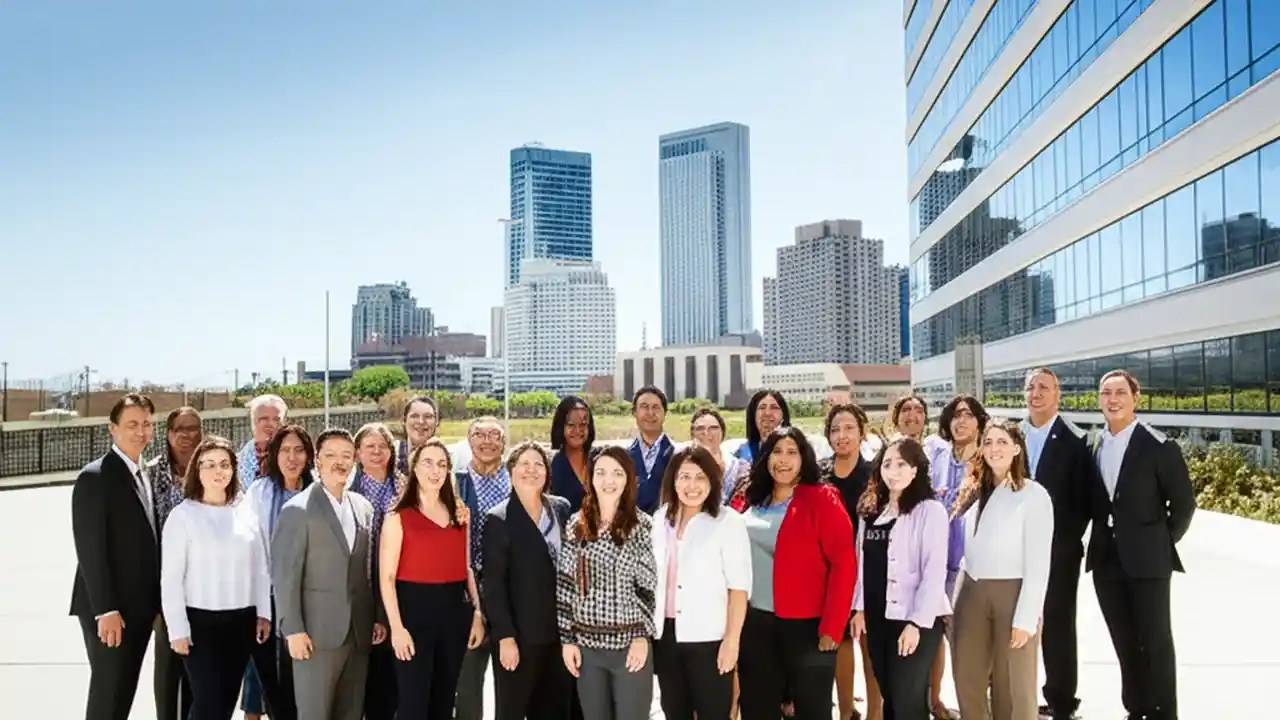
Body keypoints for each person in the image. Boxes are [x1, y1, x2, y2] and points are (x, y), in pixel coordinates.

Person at [1087, 370, 1195, 720]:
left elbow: (1183, 505)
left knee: (1156, 642)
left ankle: (1164, 713)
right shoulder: (1094, 444)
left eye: (1120, 392)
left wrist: (1160, 542)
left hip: (1148, 561)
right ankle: (1137, 709)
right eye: (1106, 393)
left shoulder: (1159, 446)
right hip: (1106, 561)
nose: (1113, 399)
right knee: (1124, 641)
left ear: (1136, 397)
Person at [732, 427, 855, 720]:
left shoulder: (822, 499)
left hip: (807, 627)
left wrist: (832, 627)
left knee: (812, 709)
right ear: (765, 457)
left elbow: (844, 565)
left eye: (791, 452)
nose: (783, 460)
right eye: (776, 452)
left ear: (804, 459)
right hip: (756, 623)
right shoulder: (753, 498)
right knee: (757, 708)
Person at [271, 428, 383, 720]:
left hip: (358, 633)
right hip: (315, 635)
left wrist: (378, 617)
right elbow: (285, 576)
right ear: (317, 461)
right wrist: (292, 629)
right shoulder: (297, 510)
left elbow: (368, 571)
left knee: (351, 713)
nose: (339, 462)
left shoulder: (364, 508)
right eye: (331, 455)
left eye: (346, 455)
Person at [160, 435, 272, 720]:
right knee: (208, 705)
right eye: (208, 464)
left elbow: (260, 568)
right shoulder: (182, 516)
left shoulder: (245, 511)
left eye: (224, 464)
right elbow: (171, 579)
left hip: (241, 622)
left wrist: (263, 614)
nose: (217, 471)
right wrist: (177, 630)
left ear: (233, 469)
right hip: (200, 626)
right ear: (196, 470)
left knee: (224, 705)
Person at [951, 422, 1053, 720]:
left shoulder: (1033, 495)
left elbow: (1039, 563)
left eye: (1002, 442)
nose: (995, 448)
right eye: (989, 442)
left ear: (1017, 448)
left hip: (1013, 593)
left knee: (1014, 684)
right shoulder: (973, 490)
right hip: (971, 591)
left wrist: (1026, 617)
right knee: (967, 675)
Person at [69, 393, 161, 720]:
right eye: (132, 424)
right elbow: (90, 550)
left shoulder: (143, 473)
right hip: (110, 614)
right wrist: (105, 609)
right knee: (107, 697)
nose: (141, 432)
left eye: (147, 424)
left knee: (123, 695)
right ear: (113, 428)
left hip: (138, 611)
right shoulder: (96, 477)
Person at [380, 439, 485, 720]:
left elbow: (467, 568)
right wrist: (397, 628)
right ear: (414, 468)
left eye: (442, 464)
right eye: (427, 462)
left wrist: (477, 613)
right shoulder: (398, 517)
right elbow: (387, 578)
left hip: (453, 615)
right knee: (413, 704)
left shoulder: (460, 515)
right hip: (413, 616)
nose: (435, 470)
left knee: (444, 701)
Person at [850, 438, 951, 719]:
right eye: (887, 464)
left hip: (914, 622)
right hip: (878, 619)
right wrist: (859, 608)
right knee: (891, 697)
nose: (893, 471)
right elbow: (863, 564)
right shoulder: (871, 512)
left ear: (915, 470)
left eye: (901, 464)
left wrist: (917, 623)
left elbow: (934, 572)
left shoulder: (930, 510)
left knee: (908, 701)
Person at [556, 446, 657, 720]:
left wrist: (640, 635)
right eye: (600, 473)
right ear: (591, 478)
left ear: (628, 479)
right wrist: (567, 640)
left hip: (628, 647)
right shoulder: (576, 525)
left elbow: (648, 587)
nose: (608, 481)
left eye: (616, 473)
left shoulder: (642, 526)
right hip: (587, 647)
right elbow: (566, 586)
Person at [651, 445, 751, 720]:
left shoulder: (727, 521)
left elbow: (739, 588)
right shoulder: (661, 519)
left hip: (710, 639)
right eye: (684, 477)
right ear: (673, 480)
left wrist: (732, 640)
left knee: (714, 712)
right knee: (674, 711)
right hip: (667, 636)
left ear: (712, 481)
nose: (691, 485)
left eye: (699, 477)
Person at [1020, 369, 1092, 720]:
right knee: (1015, 620)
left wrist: (1063, 540)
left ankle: (1062, 699)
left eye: (1043, 387)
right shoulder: (1009, 436)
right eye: (1031, 387)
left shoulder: (1076, 440)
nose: (1036, 393)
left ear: (1057, 394)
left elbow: (1084, 500)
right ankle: (1016, 694)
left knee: (1058, 623)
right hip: (1013, 551)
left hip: (1059, 549)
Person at [484, 440, 574, 720]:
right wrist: (505, 638)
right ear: (510, 471)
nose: (531, 471)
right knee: (511, 709)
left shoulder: (561, 509)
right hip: (521, 637)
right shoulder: (498, 519)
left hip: (560, 635)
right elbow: (494, 585)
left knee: (554, 710)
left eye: (538, 465)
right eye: (524, 464)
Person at [244, 424, 317, 720]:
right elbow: (252, 553)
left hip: (311, 601)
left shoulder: (319, 493)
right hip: (269, 601)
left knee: (305, 686)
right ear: (274, 455)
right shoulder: (259, 493)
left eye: (299, 450)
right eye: (285, 450)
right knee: (274, 688)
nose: (292, 458)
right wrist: (261, 608)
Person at [927, 395, 989, 720]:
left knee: (968, 650)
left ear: (980, 421)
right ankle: (934, 703)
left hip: (971, 571)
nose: (960, 421)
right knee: (930, 644)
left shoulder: (988, 459)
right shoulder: (935, 456)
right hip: (934, 568)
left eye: (967, 415)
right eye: (954, 415)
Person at [821, 403, 879, 720]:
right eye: (835, 429)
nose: (841, 436)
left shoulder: (875, 474)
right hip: (831, 572)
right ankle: (846, 711)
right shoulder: (819, 473)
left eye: (849, 429)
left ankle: (875, 712)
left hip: (868, 567)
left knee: (870, 645)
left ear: (861, 432)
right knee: (839, 640)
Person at [454, 416, 510, 720]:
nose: (487, 441)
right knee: (468, 682)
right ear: (469, 440)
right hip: (466, 592)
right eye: (479, 435)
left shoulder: (517, 480)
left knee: (510, 680)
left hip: (508, 592)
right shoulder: (454, 482)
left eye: (494, 436)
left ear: (503, 443)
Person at [148, 406, 202, 720]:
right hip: (167, 586)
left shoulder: (210, 468)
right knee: (168, 669)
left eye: (193, 427)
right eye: (179, 428)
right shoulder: (152, 471)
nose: (186, 434)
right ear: (168, 434)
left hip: (203, 589)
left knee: (198, 673)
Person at [237, 392, 288, 720]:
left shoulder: (295, 455)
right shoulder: (237, 461)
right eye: (262, 419)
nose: (269, 426)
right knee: (255, 660)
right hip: (252, 574)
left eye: (275, 419)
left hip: (289, 573)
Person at [351, 422, 402, 720]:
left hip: (401, 591)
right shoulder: (348, 490)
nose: (377, 452)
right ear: (357, 453)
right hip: (362, 590)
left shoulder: (405, 487)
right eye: (369, 446)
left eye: (383, 446)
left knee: (393, 686)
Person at [688, 407, 750, 504]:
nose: (706, 433)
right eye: (700, 428)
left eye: (713, 428)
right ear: (692, 434)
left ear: (722, 432)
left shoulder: (739, 468)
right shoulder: (681, 465)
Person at [628, 385, 673, 514]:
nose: (650, 413)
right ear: (634, 412)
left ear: (665, 413)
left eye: (656, 407)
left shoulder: (678, 454)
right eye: (644, 407)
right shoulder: (624, 458)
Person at [550, 396, 595, 513]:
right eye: (571, 425)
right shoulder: (553, 466)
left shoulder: (599, 459)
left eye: (583, 425)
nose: (578, 430)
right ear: (561, 426)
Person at [735, 390, 790, 464]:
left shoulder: (798, 448)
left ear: (783, 416)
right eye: (762, 407)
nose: (767, 413)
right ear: (753, 416)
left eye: (774, 407)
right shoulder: (742, 453)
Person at [398, 395, 441, 474]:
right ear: (404, 421)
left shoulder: (445, 458)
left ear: (436, 422)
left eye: (428, 416)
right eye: (414, 416)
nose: (421, 421)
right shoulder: (390, 457)